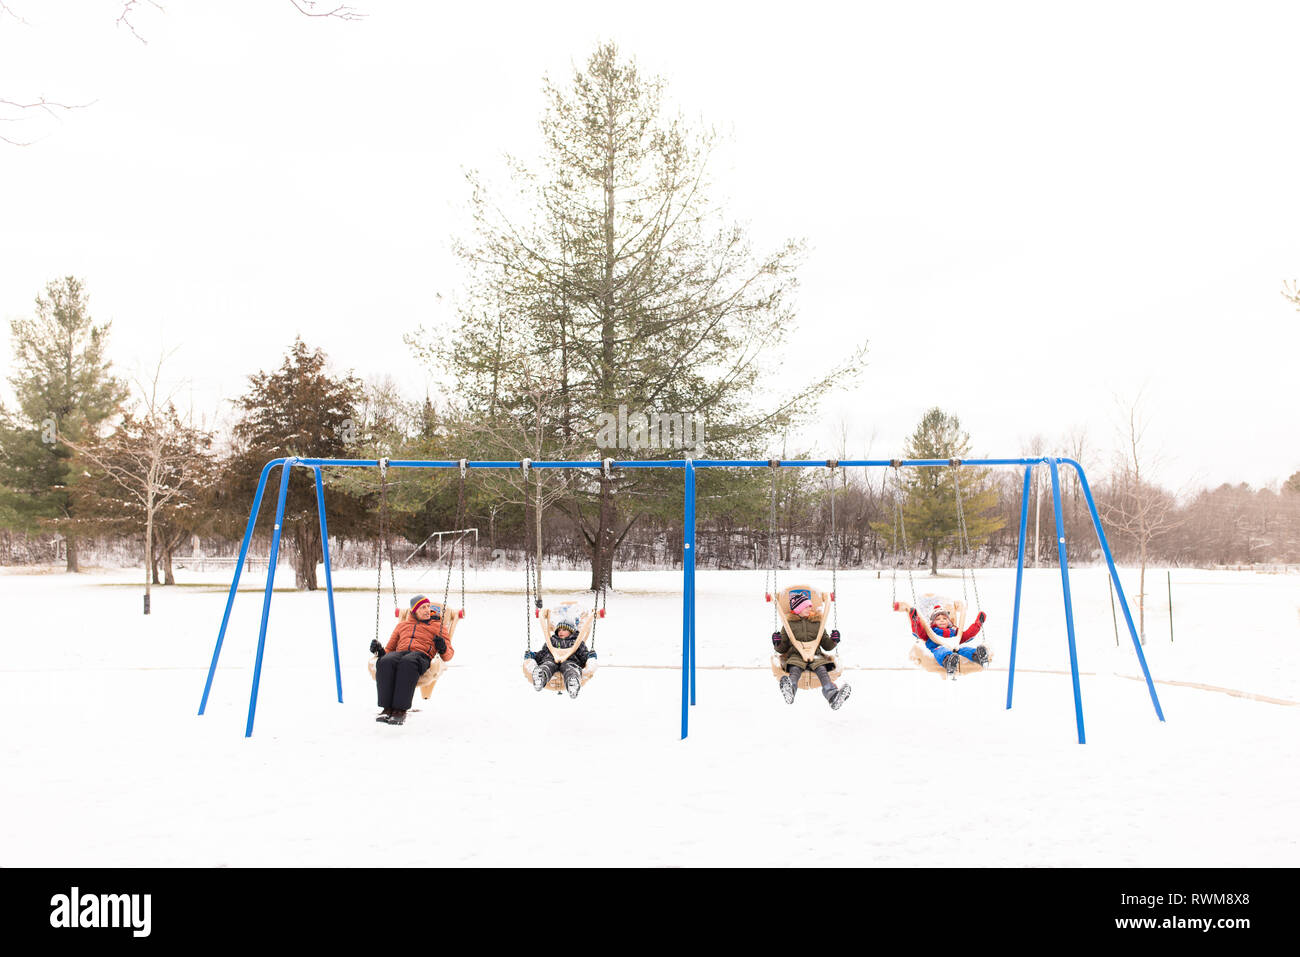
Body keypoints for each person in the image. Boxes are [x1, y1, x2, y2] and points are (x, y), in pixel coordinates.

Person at [368, 594, 455, 725]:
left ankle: (400, 710)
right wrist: (379, 650)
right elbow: (389, 650)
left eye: (428, 607)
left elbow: (448, 655)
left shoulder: (438, 626)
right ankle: (387, 709)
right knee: (386, 661)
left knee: (408, 662)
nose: (427, 610)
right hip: (400, 652)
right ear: (414, 611)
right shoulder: (402, 626)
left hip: (421, 656)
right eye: (422, 608)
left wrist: (442, 648)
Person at [772, 588, 851, 710]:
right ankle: (790, 690)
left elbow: (826, 645)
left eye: (810, 606)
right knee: (795, 669)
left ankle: (832, 695)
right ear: (798, 609)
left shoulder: (817, 623)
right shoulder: (789, 625)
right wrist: (777, 643)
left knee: (822, 670)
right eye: (807, 606)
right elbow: (783, 648)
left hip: (816, 655)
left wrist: (834, 640)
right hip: (796, 655)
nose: (810, 608)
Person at [896, 597, 989, 676]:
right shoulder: (930, 632)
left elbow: (968, 634)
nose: (942, 620)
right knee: (941, 651)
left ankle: (978, 655)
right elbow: (919, 631)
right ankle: (948, 662)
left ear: (948, 621)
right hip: (938, 647)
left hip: (955, 647)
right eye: (938, 619)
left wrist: (978, 623)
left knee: (964, 649)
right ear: (933, 622)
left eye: (945, 618)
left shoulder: (955, 632)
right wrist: (915, 620)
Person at [530, 604, 593, 699]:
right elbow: (543, 652)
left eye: (564, 629)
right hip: (552, 659)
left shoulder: (577, 641)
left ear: (571, 631)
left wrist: (590, 656)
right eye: (559, 630)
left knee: (570, 667)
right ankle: (541, 676)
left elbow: (583, 655)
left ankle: (572, 683)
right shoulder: (553, 640)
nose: (560, 632)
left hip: (570, 660)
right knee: (548, 664)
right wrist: (533, 655)